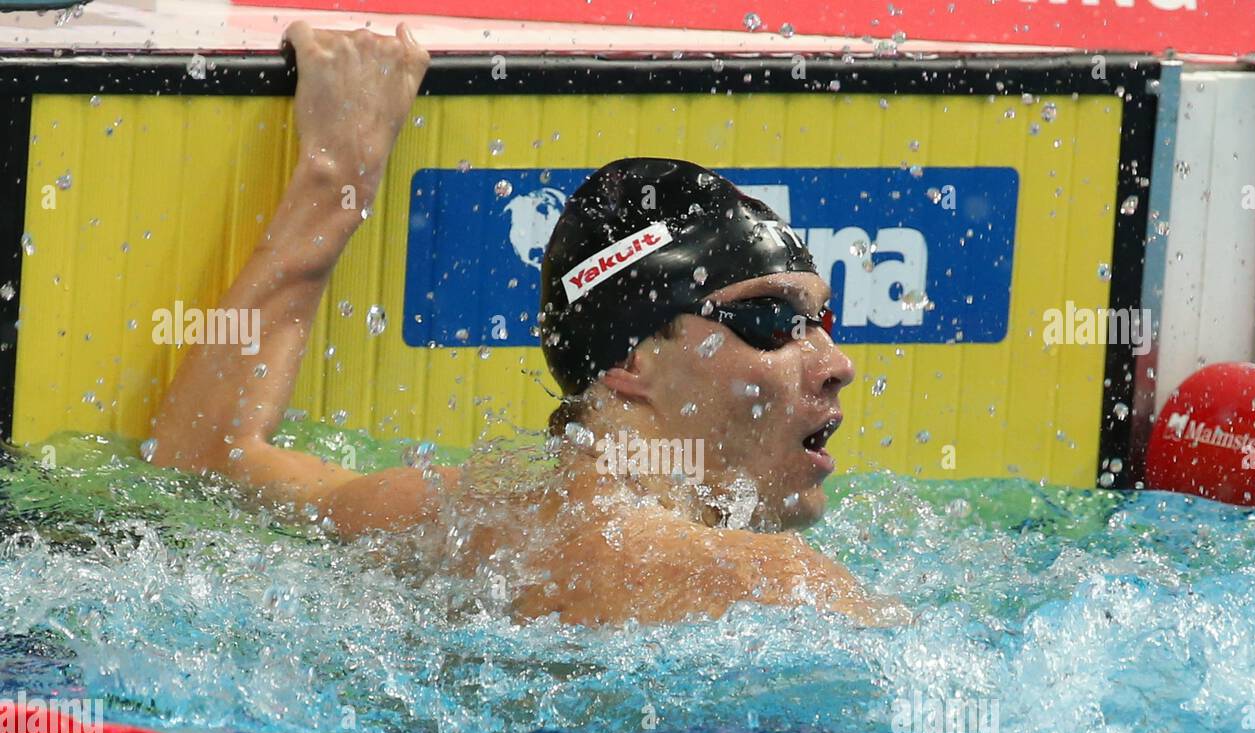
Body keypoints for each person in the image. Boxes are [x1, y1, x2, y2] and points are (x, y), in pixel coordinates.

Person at [147, 22, 907, 628]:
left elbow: (200, 456)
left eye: (823, 321)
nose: (837, 362)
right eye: (775, 319)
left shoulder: (456, 519)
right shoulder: (779, 586)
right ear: (633, 362)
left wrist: (337, 171)